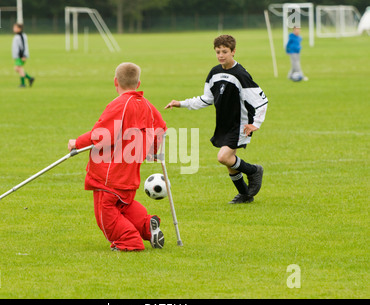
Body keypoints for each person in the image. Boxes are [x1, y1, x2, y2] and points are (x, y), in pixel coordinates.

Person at [68, 62, 167, 251]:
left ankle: (129, 240)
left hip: (109, 175)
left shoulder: (119, 105)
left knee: (105, 215)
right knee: (124, 205)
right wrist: (153, 150)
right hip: (129, 174)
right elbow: (160, 127)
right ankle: (147, 226)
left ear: (115, 82)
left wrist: (77, 143)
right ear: (138, 84)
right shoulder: (146, 105)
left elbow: (101, 134)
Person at [165, 35, 267, 204]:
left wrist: (255, 123)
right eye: (218, 52)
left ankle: (254, 170)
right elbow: (207, 99)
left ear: (233, 52)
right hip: (223, 123)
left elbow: (261, 100)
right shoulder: (214, 72)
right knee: (230, 162)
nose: (221, 55)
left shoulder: (241, 74)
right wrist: (181, 104)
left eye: (225, 51)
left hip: (240, 124)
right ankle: (245, 195)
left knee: (224, 157)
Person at [12, 23, 35, 88]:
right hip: (18, 56)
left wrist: (23, 55)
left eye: (15, 28)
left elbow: (23, 47)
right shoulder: (17, 36)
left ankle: (23, 84)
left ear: (19, 29)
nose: (13, 29)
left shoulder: (21, 36)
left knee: (19, 68)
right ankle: (30, 78)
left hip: (21, 56)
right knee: (17, 69)